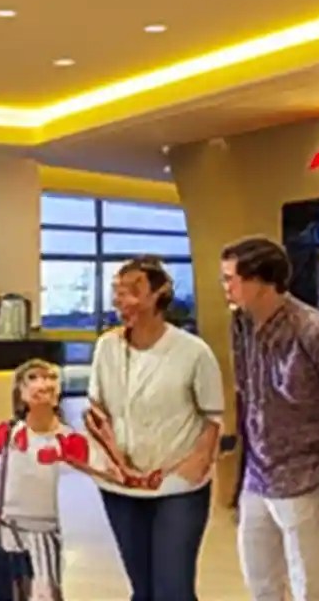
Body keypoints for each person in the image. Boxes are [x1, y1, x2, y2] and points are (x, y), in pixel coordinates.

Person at [220, 236, 319, 601]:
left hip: (307, 474)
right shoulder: (241, 326)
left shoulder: (317, 333)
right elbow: (248, 395)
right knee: (259, 579)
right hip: (258, 475)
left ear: (262, 281)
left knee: (309, 584)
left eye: (231, 278)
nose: (226, 288)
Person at [83, 255, 224, 601]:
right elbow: (96, 410)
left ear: (160, 293)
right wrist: (116, 462)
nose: (122, 300)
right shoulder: (107, 347)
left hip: (178, 484)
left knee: (173, 589)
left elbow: (214, 416)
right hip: (120, 484)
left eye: (134, 290)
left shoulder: (193, 352)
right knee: (142, 590)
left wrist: (199, 460)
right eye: (118, 292)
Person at [0, 358, 93, 601]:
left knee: (41, 592)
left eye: (49, 378)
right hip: (5, 534)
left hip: (44, 536)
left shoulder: (70, 442)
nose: (42, 383)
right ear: (20, 393)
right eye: (33, 378)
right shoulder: (9, 434)